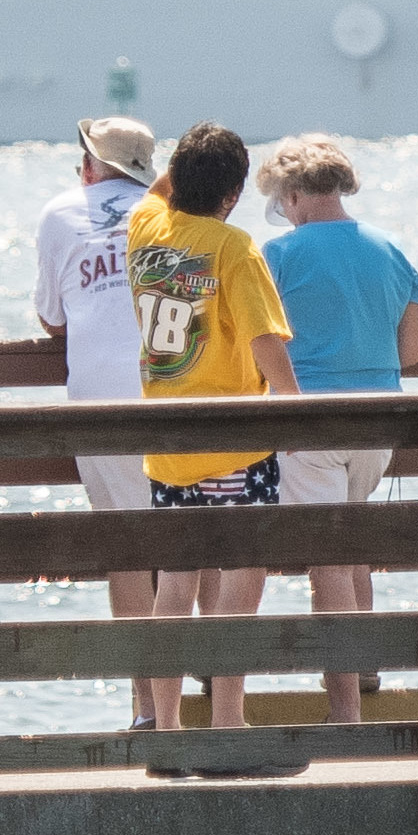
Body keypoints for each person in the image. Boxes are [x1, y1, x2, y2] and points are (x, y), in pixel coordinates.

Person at [126, 121, 295, 749]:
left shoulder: (145, 231)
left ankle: (167, 731)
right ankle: (226, 726)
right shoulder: (233, 246)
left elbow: (159, 189)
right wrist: (296, 408)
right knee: (236, 595)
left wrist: (190, 169)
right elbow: (264, 339)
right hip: (235, 445)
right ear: (235, 192)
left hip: (167, 450)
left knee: (174, 591)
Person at [254, 135, 418, 636]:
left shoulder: (279, 253)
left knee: (327, 557)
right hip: (379, 421)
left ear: (291, 195)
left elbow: (259, 339)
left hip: (311, 420)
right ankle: (367, 664)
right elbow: (410, 351)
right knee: (354, 545)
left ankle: (345, 696)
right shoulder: (389, 249)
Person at [32, 115, 167, 727]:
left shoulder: (61, 212)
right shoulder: (176, 211)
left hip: (101, 402)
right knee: (193, 548)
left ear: (87, 161)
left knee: (127, 550)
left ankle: (145, 707)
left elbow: (52, 320)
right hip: (179, 392)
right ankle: (202, 698)